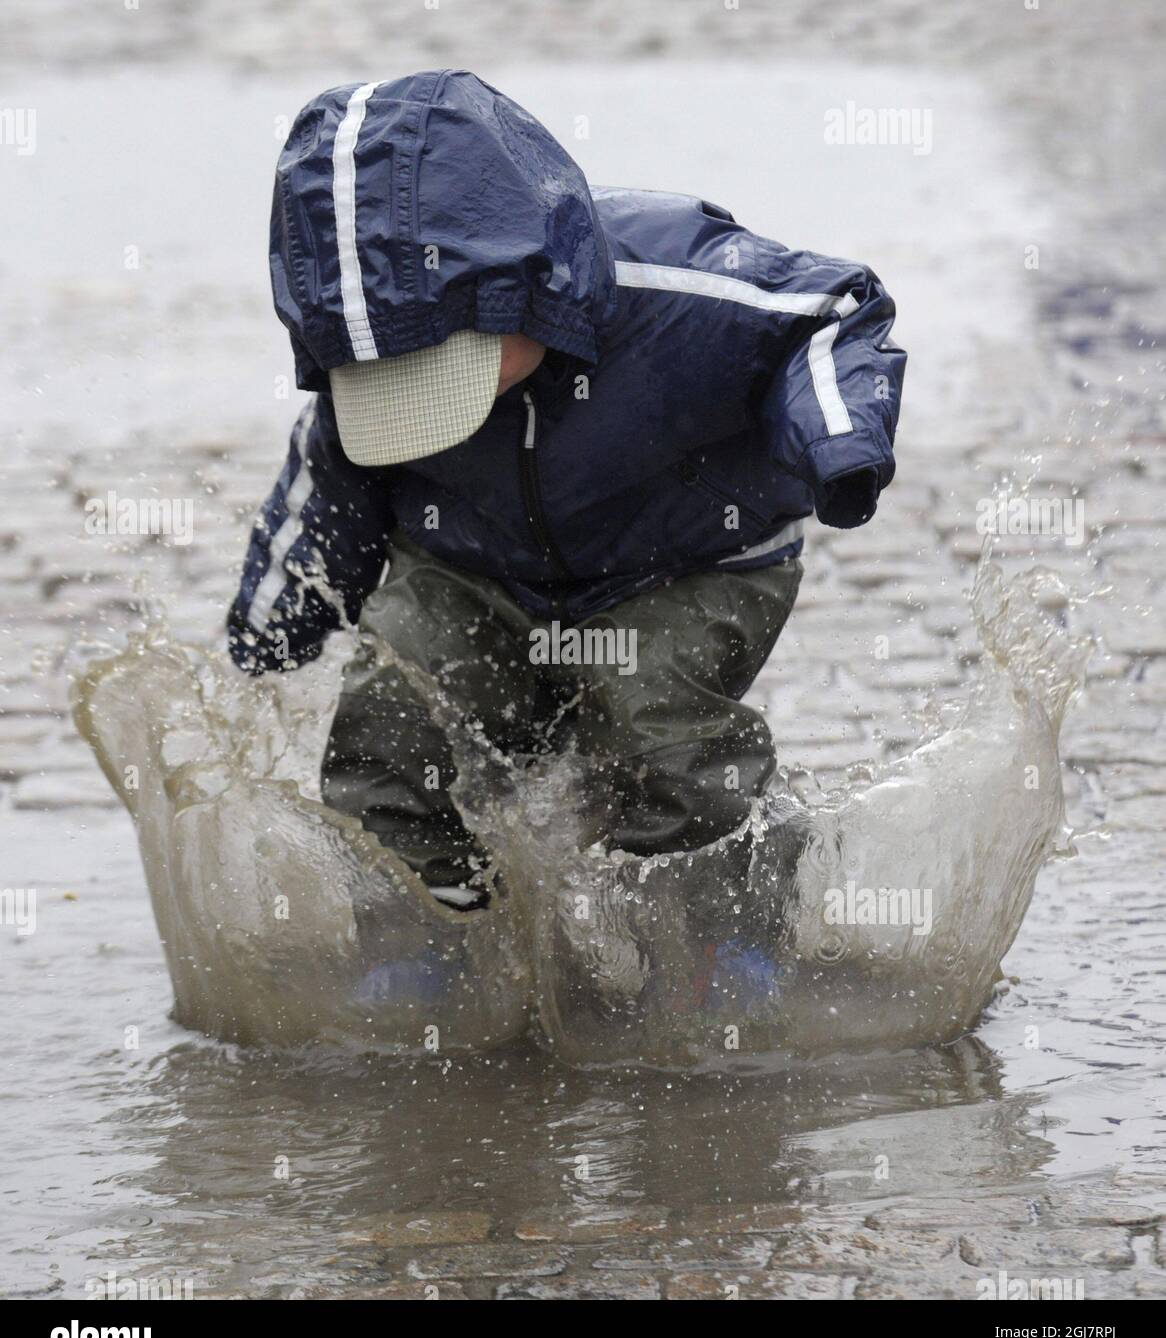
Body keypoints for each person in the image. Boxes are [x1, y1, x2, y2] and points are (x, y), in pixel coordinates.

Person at [228, 70, 906, 912]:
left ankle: (721, 921)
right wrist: (278, 618)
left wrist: (839, 437)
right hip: (467, 566)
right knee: (389, 721)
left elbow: (832, 311)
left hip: (684, 560)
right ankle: (431, 926)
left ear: (523, 285)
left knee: (658, 730)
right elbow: (329, 484)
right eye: (384, 383)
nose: (412, 397)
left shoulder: (675, 287)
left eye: (437, 370)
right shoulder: (355, 369)